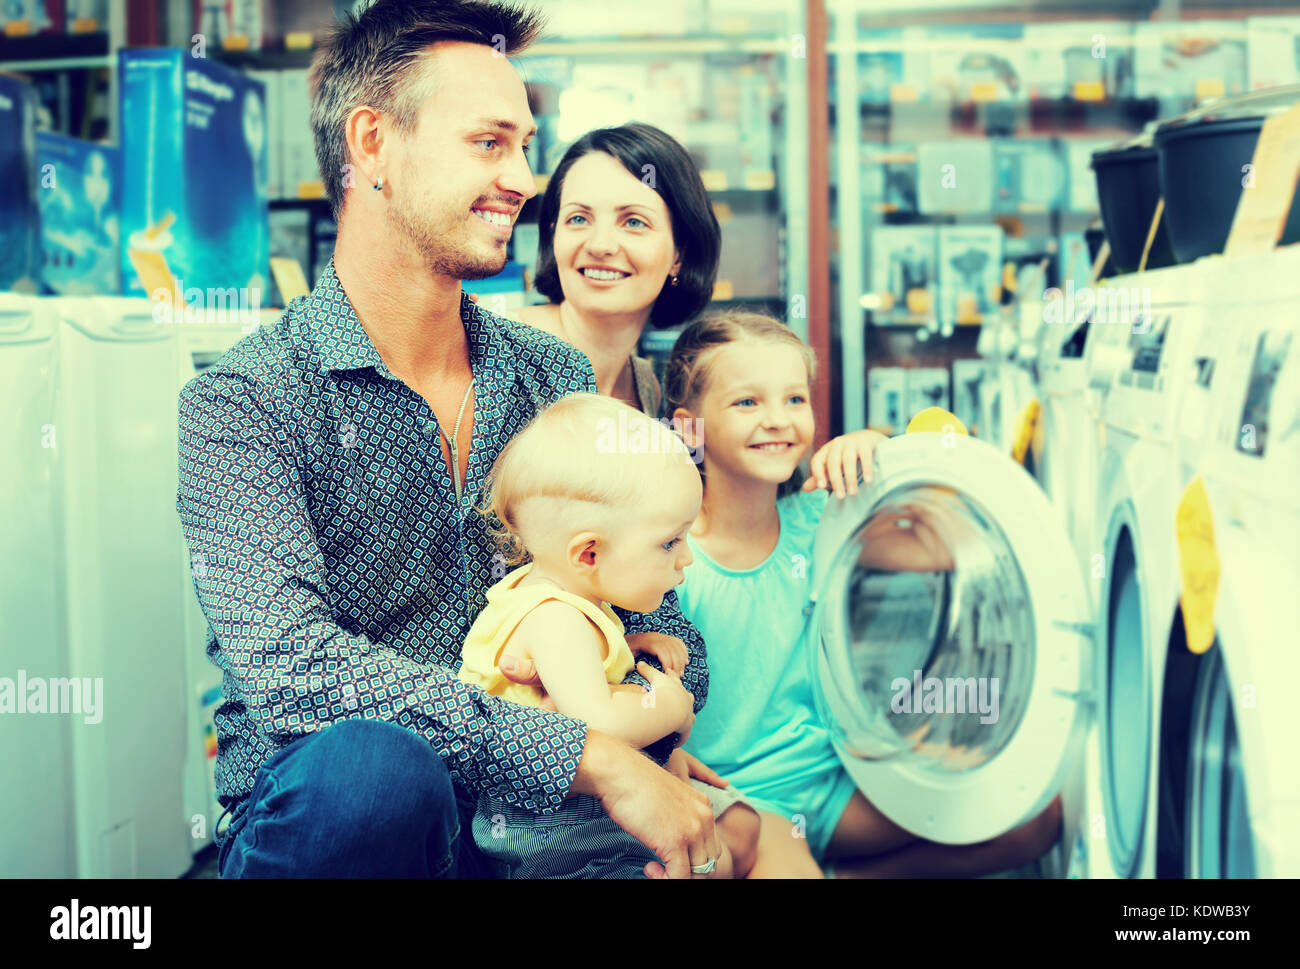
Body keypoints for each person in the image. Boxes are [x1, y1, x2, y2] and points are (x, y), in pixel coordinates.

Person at [177, 0, 726, 879]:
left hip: (531, 833)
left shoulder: (553, 378)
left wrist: (655, 720)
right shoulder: (244, 401)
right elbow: (293, 670)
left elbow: (658, 619)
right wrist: (592, 756)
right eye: (490, 142)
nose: (524, 177)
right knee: (371, 774)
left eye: (525, 146)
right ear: (372, 146)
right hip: (345, 839)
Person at [664, 310, 1065, 877]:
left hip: (837, 784)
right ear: (690, 429)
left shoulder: (822, 520)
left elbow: (945, 547)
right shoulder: (672, 555)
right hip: (740, 803)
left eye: (795, 400)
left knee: (1035, 816)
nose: (777, 420)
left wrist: (884, 450)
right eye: (747, 403)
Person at [456, 392, 763, 878]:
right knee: (717, 859)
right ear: (588, 554)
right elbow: (594, 722)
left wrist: (629, 647)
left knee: (741, 826)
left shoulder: (566, 599)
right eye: (669, 542)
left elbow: (579, 672)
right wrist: (670, 707)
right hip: (559, 835)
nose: (686, 558)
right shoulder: (556, 618)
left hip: (582, 812)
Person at [507, 122, 721, 417]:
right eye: (579, 219)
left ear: (679, 253)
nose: (600, 245)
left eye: (634, 222)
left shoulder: (645, 385)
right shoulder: (503, 352)